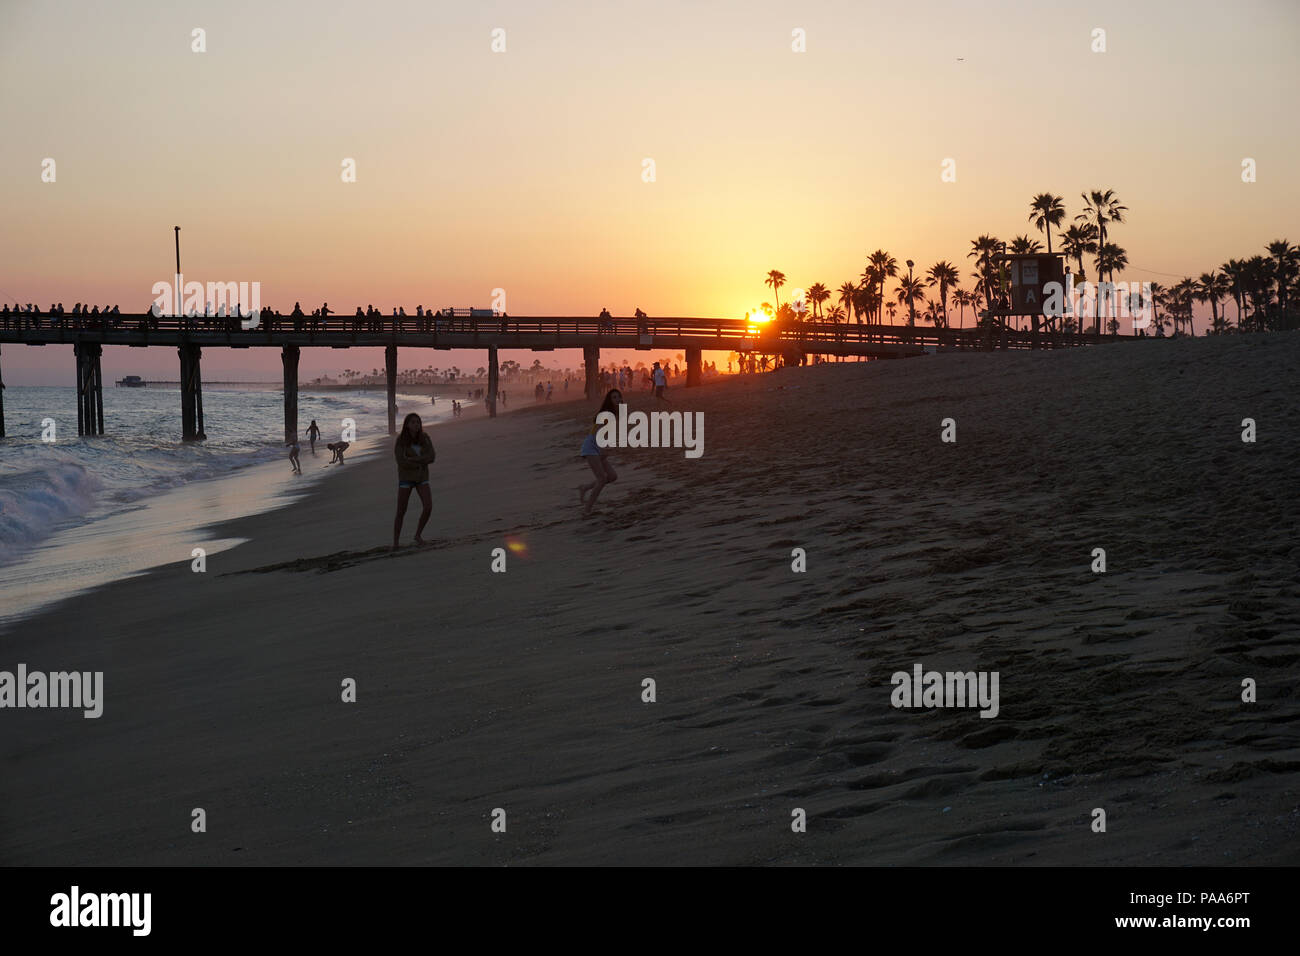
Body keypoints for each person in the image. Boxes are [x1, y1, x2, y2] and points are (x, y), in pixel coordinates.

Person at [393, 412, 436, 549]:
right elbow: (401, 461)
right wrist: (420, 462)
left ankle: (418, 535)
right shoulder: (401, 440)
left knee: (428, 507)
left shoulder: (425, 438)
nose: (416, 425)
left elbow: (432, 456)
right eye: (412, 422)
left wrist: (414, 460)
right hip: (406, 478)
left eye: (418, 422)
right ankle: (395, 542)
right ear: (406, 425)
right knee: (401, 511)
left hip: (422, 477)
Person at [578, 388, 622, 516]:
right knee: (602, 479)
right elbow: (598, 432)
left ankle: (585, 488)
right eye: (614, 397)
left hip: (598, 445)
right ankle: (587, 510)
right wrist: (603, 448)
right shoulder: (607, 413)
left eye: (618, 397)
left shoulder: (613, 413)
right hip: (591, 445)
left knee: (612, 476)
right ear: (609, 400)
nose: (617, 399)